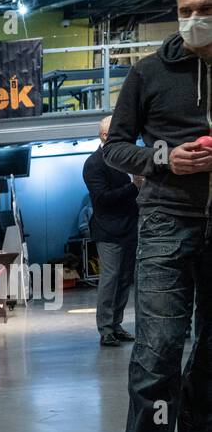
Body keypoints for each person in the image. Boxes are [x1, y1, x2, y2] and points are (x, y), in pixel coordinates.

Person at [103, 0, 212, 432]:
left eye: (205, 9)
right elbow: (115, 147)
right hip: (167, 220)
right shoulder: (148, 72)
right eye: (186, 10)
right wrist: (165, 158)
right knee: (160, 343)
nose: (195, 18)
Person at [84, 116, 140, 348]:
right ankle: (106, 329)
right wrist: (134, 187)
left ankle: (116, 325)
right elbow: (102, 199)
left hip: (129, 228)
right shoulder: (94, 164)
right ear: (105, 135)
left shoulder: (122, 159)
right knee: (110, 279)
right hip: (108, 231)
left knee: (125, 279)